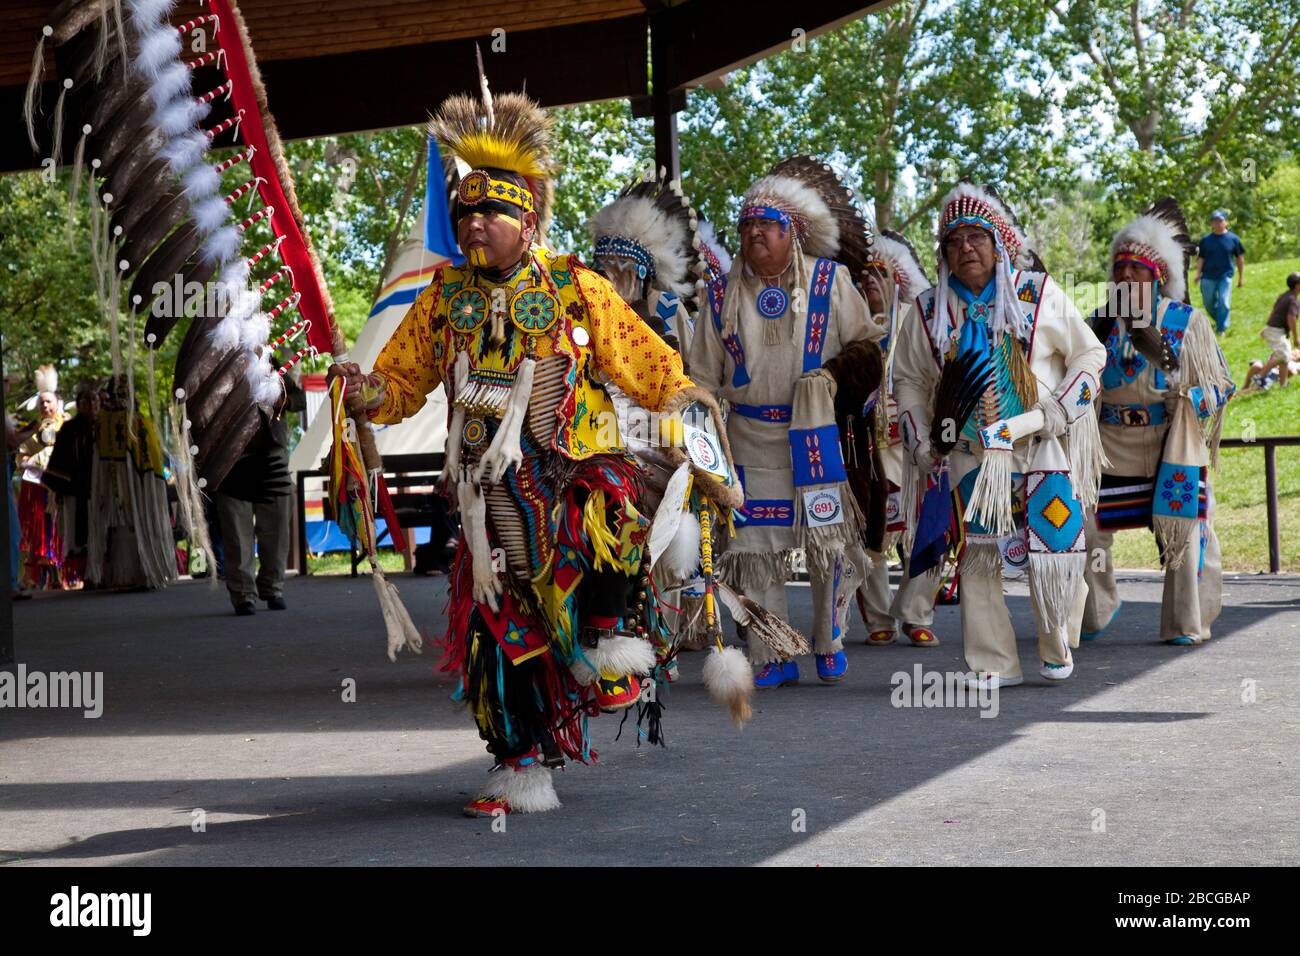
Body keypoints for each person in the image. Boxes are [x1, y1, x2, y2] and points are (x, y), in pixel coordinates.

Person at [333, 81, 737, 816]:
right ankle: (519, 765)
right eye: (465, 213)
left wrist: (685, 411)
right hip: (489, 503)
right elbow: (400, 383)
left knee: (607, 510)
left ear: (526, 221)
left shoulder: (577, 288)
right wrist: (364, 393)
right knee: (496, 633)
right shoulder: (440, 297)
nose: (475, 223)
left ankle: (610, 644)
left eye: (491, 211)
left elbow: (644, 364)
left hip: (572, 469)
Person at [892, 183, 1106, 689]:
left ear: (998, 242)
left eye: (976, 236)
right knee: (980, 556)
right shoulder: (928, 311)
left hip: (1036, 447)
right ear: (943, 254)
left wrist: (1056, 411)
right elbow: (909, 382)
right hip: (970, 454)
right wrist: (924, 440)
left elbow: (1090, 356)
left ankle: (1056, 647)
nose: (966, 247)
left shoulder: (1036, 294)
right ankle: (993, 664)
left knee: (1049, 549)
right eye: (954, 240)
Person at [689, 156, 882, 688]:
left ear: (791, 235)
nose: (755, 236)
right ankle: (774, 653)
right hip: (749, 437)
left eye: (766, 227)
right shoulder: (720, 295)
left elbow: (868, 346)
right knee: (755, 553)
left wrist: (833, 375)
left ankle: (829, 641)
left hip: (815, 434)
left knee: (827, 545)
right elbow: (702, 374)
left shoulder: (830, 281)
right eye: (747, 227)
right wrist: (700, 434)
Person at [1083, 199, 1234, 646]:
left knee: (1185, 531)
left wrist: (1187, 399)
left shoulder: (1186, 322)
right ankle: (1096, 608)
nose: (1126, 276)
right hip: (1108, 449)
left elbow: (1220, 385)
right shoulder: (1099, 323)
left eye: (1137, 269)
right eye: (1119, 269)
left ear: (1159, 276)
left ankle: (1185, 621)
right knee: (1083, 527)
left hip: (1171, 447)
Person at [851, 231, 943, 648]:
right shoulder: (848, 323)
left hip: (915, 443)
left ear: (897, 280)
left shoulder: (917, 320)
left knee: (927, 523)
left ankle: (917, 611)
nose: (871, 281)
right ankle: (877, 617)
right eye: (864, 275)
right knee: (868, 531)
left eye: (880, 273)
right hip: (863, 446)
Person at [214, 366, 305, 614]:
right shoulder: (215, 364)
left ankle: (273, 587)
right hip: (231, 456)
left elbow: (300, 400)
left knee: (276, 523)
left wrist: (281, 399)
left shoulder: (272, 364)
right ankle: (243, 594)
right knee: (236, 528)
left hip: (271, 452)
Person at [41, 382, 100, 587]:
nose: (91, 404)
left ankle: (103, 572)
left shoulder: (106, 427)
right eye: (86, 401)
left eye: (95, 400)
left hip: (102, 490)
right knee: (79, 533)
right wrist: (62, 489)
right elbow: (58, 461)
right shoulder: (70, 428)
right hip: (76, 490)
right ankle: (87, 575)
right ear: (79, 405)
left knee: (103, 530)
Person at [14, 369, 65, 589]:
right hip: (34, 487)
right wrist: (26, 461)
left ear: (57, 402)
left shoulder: (66, 424)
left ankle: (59, 576)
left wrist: (33, 460)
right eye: (42, 403)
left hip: (57, 485)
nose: (45, 406)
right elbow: (20, 452)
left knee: (57, 528)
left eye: (48, 402)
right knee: (35, 532)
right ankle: (33, 577)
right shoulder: (33, 428)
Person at [1194, 209, 1245, 334]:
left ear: (1226, 222)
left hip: (1225, 276)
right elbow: (1201, 258)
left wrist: (1240, 277)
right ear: (1211, 224)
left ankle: (1221, 328)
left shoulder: (1234, 239)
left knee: (1224, 301)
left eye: (1220, 221)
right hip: (1207, 276)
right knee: (1208, 303)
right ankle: (1220, 320)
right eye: (1215, 221)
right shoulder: (1206, 240)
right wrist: (1197, 274)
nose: (1218, 224)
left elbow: (1239, 259)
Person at [1259, 272, 1300, 387]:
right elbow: (1291, 318)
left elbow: (1274, 311)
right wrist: (1296, 338)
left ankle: (1283, 384)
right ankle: (1260, 376)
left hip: (1273, 329)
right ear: (1297, 285)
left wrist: (1266, 327)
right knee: (1283, 355)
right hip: (1277, 331)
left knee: (1285, 356)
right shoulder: (1293, 300)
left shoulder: (1284, 295)